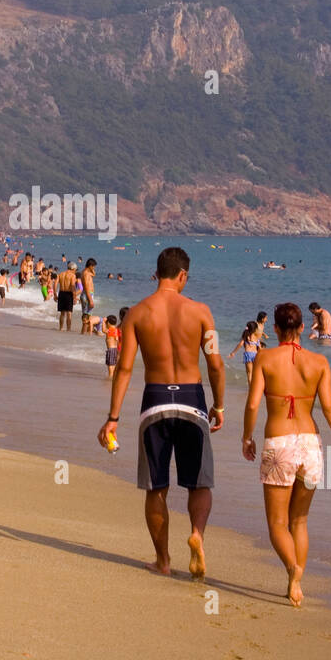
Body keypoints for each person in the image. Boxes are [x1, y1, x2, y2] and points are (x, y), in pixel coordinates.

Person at [99, 247, 224, 579]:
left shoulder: (137, 314)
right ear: (182, 275)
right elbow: (215, 364)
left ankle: (163, 560)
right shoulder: (201, 312)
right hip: (191, 399)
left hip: (154, 399)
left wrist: (113, 418)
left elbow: (124, 370)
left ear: (158, 273)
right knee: (199, 483)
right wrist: (219, 405)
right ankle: (196, 534)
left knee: (156, 487)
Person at [243, 302, 331, 608]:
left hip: (279, 443)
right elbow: (330, 407)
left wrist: (247, 437)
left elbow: (253, 404)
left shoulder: (265, 357)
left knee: (277, 523)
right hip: (310, 445)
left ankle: (292, 570)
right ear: (304, 328)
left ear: (276, 329)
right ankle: (297, 580)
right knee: (300, 521)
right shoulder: (319, 362)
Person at [56, 262, 78, 331]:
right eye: (75, 269)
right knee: (69, 313)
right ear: (73, 268)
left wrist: (54, 294)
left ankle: (61, 328)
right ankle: (68, 329)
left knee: (62, 313)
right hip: (68, 294)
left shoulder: (60, 274)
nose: (75, 271)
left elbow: (55, 284)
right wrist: (74, 297)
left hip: (61, 293)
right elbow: (72, 286)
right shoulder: (72, 276)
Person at [79, 258, 97, 333]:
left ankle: (84, 333)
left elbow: (94, 274)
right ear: (90, 265)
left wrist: (92, 270)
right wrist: (90, 300)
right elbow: (86, 286)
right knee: (86, 316)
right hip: (87, 294)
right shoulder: (86, 273)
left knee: (87, 315)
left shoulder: (86, 272)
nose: (94, 268)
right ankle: (83, 333)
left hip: (87, 294)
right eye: (93, 266)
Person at [103, 314, 121, 378]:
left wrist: (103, 322)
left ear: (108, 323)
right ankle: (113, 375)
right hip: (115, 349)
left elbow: (103, 330)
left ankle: (110, 375)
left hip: (110, 349)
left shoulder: (110, 330)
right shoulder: (116, 330)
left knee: (110, 364)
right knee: (113, 363)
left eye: (106, 323)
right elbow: (117, 339)